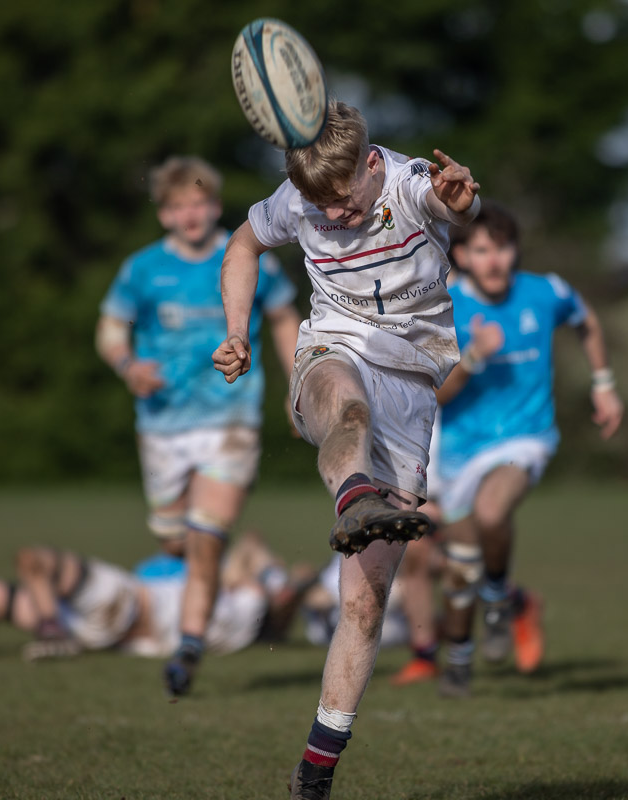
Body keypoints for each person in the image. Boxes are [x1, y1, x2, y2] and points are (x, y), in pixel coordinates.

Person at [211, 101, 480, 799]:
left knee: (365, 600)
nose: (333, 216)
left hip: (414, 381)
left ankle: (316, 770)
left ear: (371, 163)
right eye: (317, 205)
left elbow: (452, 205)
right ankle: (353, 494)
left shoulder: (411, 181)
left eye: (345, 200)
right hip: (333, 343)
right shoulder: (297, 199)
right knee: (345, 406)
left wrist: (462, 205)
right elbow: (242, 243)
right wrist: (237, 331)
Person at [96, 156, 301, 696]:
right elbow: (110, 328)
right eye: (178, 205)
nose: (191, 214)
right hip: (162, 426)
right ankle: (252, 577)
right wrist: (127, 365)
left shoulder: (246, 257)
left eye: (200, 202)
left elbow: (282, 316)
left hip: (229, 420)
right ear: (163, 213)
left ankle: (188, 646)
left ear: (215, 206)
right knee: (174, 540)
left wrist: (299, 383)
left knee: (206, 538)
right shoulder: (142, 269)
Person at [427, 201, 624, 697]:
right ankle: (458, 662)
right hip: (459, 451)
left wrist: (603, 383)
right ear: (464, 255)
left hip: (525, 440)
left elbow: (587, 321)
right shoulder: (445, 305)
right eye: (482, 249)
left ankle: (497, 599)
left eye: (503, 248)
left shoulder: (546, 291)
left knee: (493, 513)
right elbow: (436, 394)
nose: (494, 260)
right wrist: (471, 357)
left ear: (515, 251)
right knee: (458, 568)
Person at [0, 531, 308, 664]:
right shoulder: (241, 600)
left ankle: (49, 626)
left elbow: (257, 554)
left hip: (122, 606)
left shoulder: (246, 597)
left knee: (34, 562)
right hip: (105, 623)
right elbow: (262, 559)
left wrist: (273, 573)